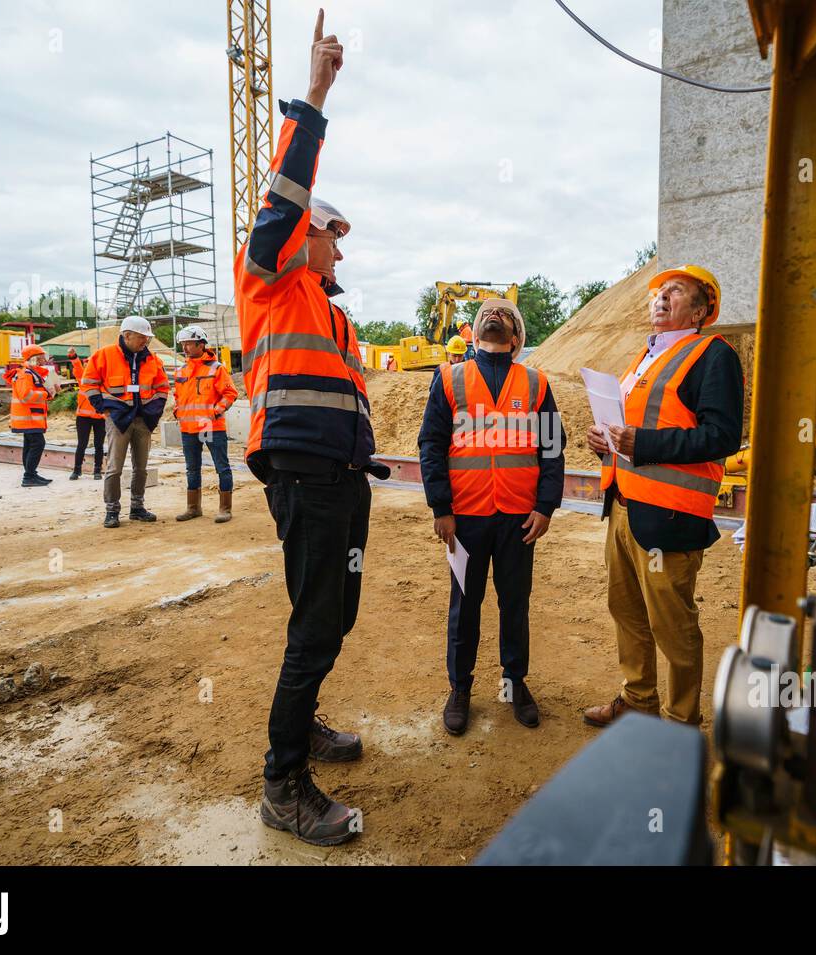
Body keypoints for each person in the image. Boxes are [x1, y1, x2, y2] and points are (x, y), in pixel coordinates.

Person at [238, 10, 391, 848]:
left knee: (333, 614)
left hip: (340, 479)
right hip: (303, 475)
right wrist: (315, 95)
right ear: (307, 230)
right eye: (335, 237)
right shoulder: (269, 278)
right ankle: (283, 782)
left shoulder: (333, 317)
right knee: (314, 627)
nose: (341, 253)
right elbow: (284, 191)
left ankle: (306, 722)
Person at [581, 265, 745, 730]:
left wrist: (643, 443)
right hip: (624, 507)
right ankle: (638, 700)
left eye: (675, 291)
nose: (661, 297)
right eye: (658, 291)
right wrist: (604, 441)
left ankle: (679, 723)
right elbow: (633, 427)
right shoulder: (646, 357)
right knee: (627, 612)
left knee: (672, 624)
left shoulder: (713, 355)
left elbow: (722, 436)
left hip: (669, 517)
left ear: (700, 310)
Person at [419, 299, 565, 735]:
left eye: (505, 314)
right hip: (465, 519)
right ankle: (460, 688)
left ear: (516, 337)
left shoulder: (536, 383)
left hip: (519, 519)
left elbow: (552, 448)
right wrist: (441, 508)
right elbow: (431, 445)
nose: (494, 314)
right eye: (487, 312)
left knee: (514, 603)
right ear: (475, 330)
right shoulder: (449, 378)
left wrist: (545, 506)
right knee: (464, 605)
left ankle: (514, 683)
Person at [80, 316, 170, 527]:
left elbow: (162, 388)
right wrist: (105, 409)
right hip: (117, 419)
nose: (145, 341)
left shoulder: (153, 360)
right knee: (115, 468)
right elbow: (89, 384)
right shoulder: (104, 355)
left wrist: (153, 413)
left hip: (143, 420)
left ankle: (137, 507)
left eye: (147, 338)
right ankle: (112, 510)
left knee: (141, 468)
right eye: (141, 337)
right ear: (126, 335)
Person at [172, 324, 238, 523]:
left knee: (221, 467)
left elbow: (230, 393)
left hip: (209, 425)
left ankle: (225, 509)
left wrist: (215, 412)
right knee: (192, 468)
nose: (184, 348)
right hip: (188, 428)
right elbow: (177, 396)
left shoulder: (216, 368)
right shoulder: (181, 371)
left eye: (188, 344)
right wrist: (177, 410)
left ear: (201, 345)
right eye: (183, 344)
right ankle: (193, 508)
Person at [11, 345, 54, 487]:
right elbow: (26, 395)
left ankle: (31, 473)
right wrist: (46, 394)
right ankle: (29, 476)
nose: (44, 360)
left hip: (30, 417)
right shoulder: (26, 374)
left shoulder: (29, 373)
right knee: (38, 444)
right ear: (34, 358)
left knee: (29, 445)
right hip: (29, 417)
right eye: (41, 357)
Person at [68, 348, 104, 480]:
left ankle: (97, 471)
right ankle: (77, 470)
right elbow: (77, 367)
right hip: (83, 418)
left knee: (99, 445)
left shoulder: (103, 381)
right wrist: (73, 356)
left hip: (100, 418)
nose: (87, 366)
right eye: (86, 364)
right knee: (81, 444)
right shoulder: (83, 378)